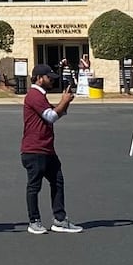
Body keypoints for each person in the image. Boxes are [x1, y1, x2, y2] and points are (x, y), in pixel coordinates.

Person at [21, 66, 80, 234]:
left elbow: (55, 113)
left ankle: (60, 219)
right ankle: (34, 221)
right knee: (34, 186)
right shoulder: (34, 95)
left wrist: (65, 102)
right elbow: (51, 116)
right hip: (34, 149)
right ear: (39, 78)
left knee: (57, 181)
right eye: (49, 77)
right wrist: (64, 102)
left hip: (46, 149)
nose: (52, 80)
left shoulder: (41, 96)